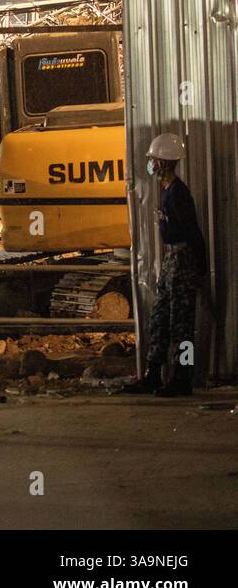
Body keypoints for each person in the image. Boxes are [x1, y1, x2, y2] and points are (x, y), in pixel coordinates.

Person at [122, 133, 208, 397]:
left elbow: (193, 233)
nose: (150, 163)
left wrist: (199, 268)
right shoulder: (167, 191)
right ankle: (153, 374)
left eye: (154, 159)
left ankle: (183, 377)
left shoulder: (178, 194)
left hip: (183, 261)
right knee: (160, 318)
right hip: (172, 260)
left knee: (181, 324)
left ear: (164, 162)